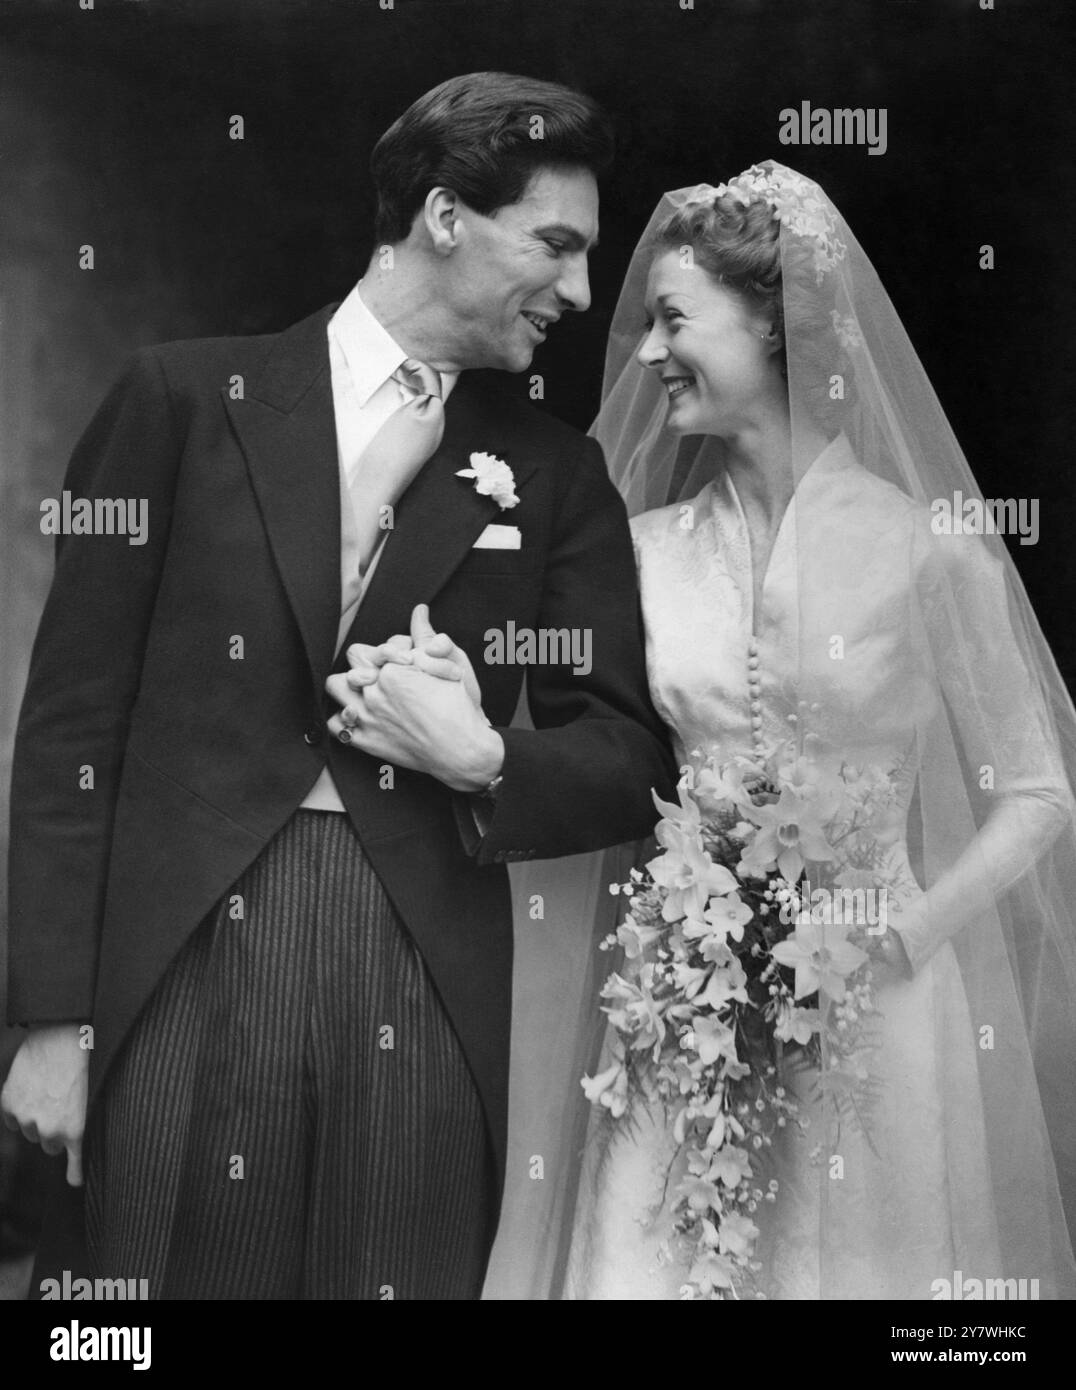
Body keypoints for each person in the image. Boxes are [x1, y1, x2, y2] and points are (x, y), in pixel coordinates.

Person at [0, 72, 675, 1300]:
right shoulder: (183, 401)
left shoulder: (555, 470)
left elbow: (630, 756)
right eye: (557, 245)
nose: (581, 295)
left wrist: (482, 757)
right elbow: (67, 731)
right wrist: (50, 1022)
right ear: (440, 216)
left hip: (418, 971)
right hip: (179, 965)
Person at [477, 163, 1076, 1298]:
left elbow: (1038, 790)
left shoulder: (924, 547)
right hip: (677, 1014)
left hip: (877, 1016)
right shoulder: (640, 551)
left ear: (775, 323)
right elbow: (592, 761)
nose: (645, 353)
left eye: (672, 319)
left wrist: (901, 929)